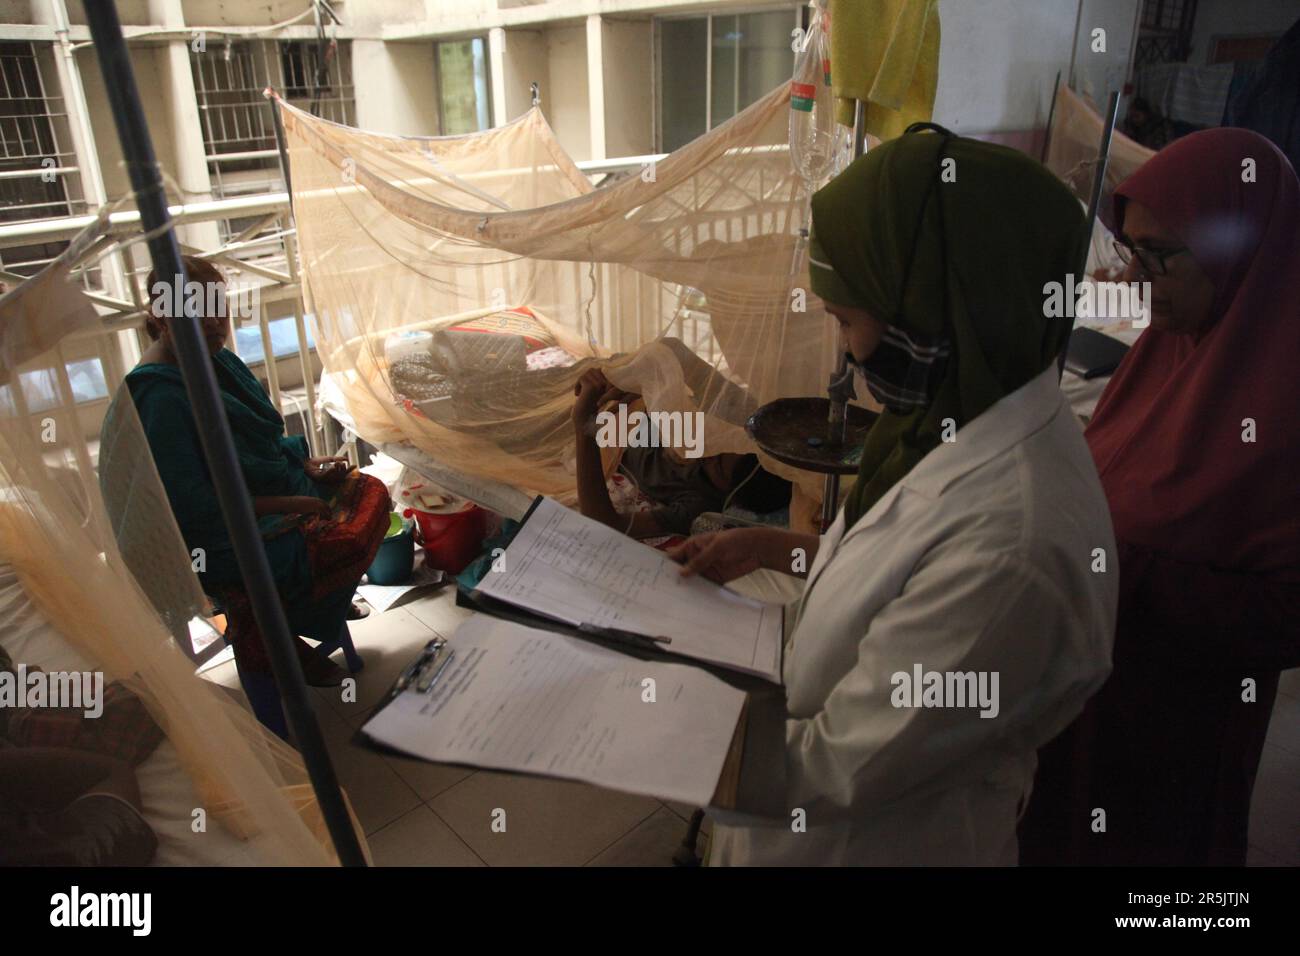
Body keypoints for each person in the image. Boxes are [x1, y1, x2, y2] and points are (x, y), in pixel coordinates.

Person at [667, 124, 1118, 865]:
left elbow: (836, 764)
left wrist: (643, 717)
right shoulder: (943, 422)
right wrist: (772, 547)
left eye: (847, 320)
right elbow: (890, 576)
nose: (843, 355)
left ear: (938, 305)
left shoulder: (1014, 546)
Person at [1019, 128, 1300, 866]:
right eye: (1130, 253)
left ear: (1236, 246)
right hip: (1091, 690)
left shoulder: (1282, 391)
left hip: (1182, 724)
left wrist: (1128, 573)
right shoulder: (1168, 350)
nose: (1136, 279)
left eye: (1159, 256)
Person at [112, 257, 391, 710]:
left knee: (370, 491)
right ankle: (276, 634)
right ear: (162, 316)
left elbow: (259, 444)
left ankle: (308, 612)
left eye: (216, 309)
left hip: (258, 499)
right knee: (337, 535)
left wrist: (307, 464)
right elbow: (198, 508)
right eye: (192, 310)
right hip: (212, 542)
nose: (211, 323)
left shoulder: (212, 361)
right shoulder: (160, 397)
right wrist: (295, 502)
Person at [570, 367, 790, 539]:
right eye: (722, 446)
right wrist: (637, 378)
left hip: (599, 431)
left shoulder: (698, 503)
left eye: (716, 464)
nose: (707, 451)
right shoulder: (729, 425)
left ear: (732, 496)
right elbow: (674, 351)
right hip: (625, 402)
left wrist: (584, 427)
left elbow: (604, 521)